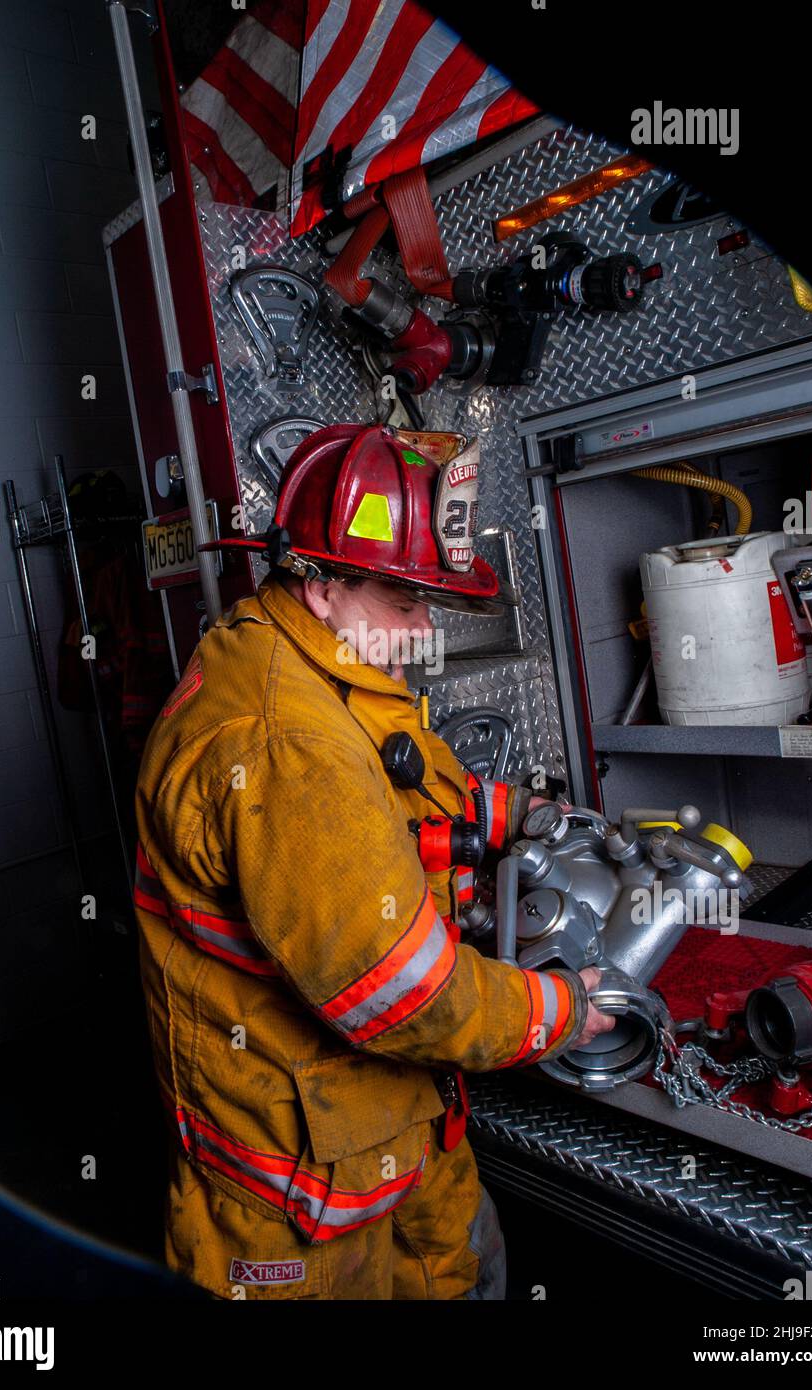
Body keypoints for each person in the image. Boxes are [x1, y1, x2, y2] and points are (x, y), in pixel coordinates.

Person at [133, 423, 615, 1300]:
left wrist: (510, 814)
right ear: (321, 587)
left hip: (389, 1125)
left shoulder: (300, 654)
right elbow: (403, 994)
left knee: (468, 1268)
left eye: (427, 602)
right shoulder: (287, 744)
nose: (424, 629)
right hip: (298, 1192)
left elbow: (392, 789)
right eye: (403, 603)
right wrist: (555, 1010)